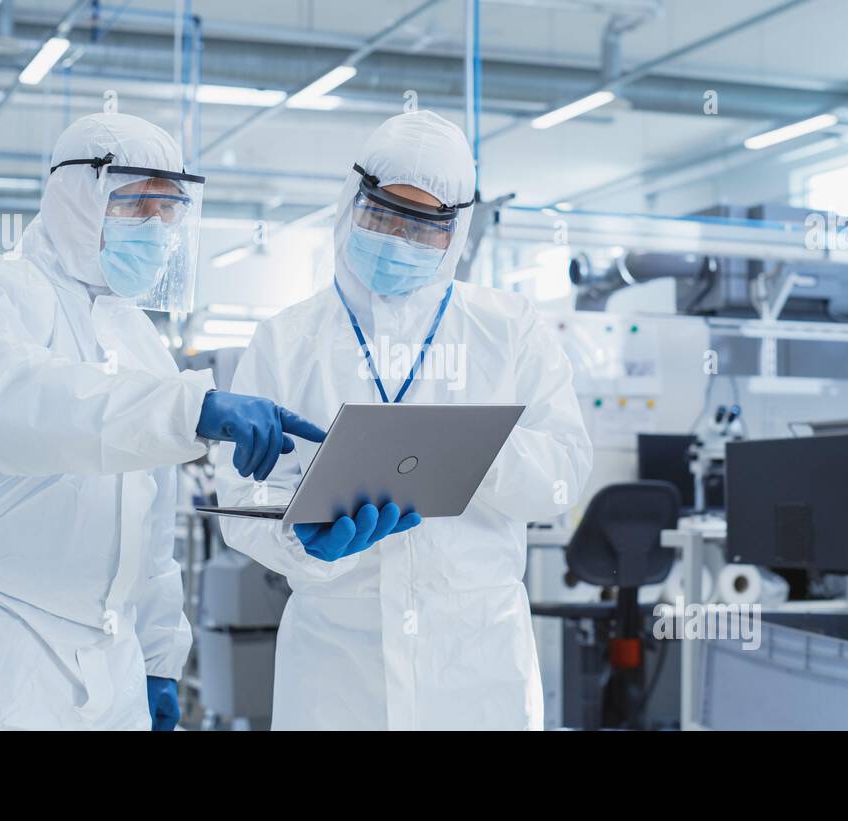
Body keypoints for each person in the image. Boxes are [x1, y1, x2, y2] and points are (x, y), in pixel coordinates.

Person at [0, 113, 325, 730]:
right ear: (75, 194)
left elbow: (148, 525)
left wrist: (158, 655)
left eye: (168, 206)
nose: (154, 224)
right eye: (134, 200)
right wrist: (189, 408)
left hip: (110, 655)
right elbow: (24, 408)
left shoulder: (140, 341)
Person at [214, 110, 593, 730]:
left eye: (424, 227)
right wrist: (298, 541)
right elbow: (242, 488)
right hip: (336, 659)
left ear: (457, 231)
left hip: (476, 661)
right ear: (353, 199)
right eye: (385, 213)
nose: (398, 238)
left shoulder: (508, 329)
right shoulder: (287, 339)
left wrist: (474, 448)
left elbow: (565, 474)